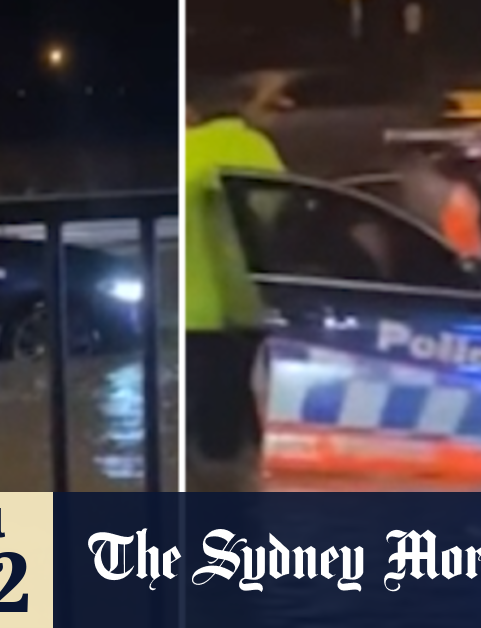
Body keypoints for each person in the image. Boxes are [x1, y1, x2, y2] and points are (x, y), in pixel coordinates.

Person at [186, 78, 286, 487]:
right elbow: (282, 213)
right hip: (235, 309)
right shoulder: (251, 147)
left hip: (181, 311)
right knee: (229, 435)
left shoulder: (186, 150)